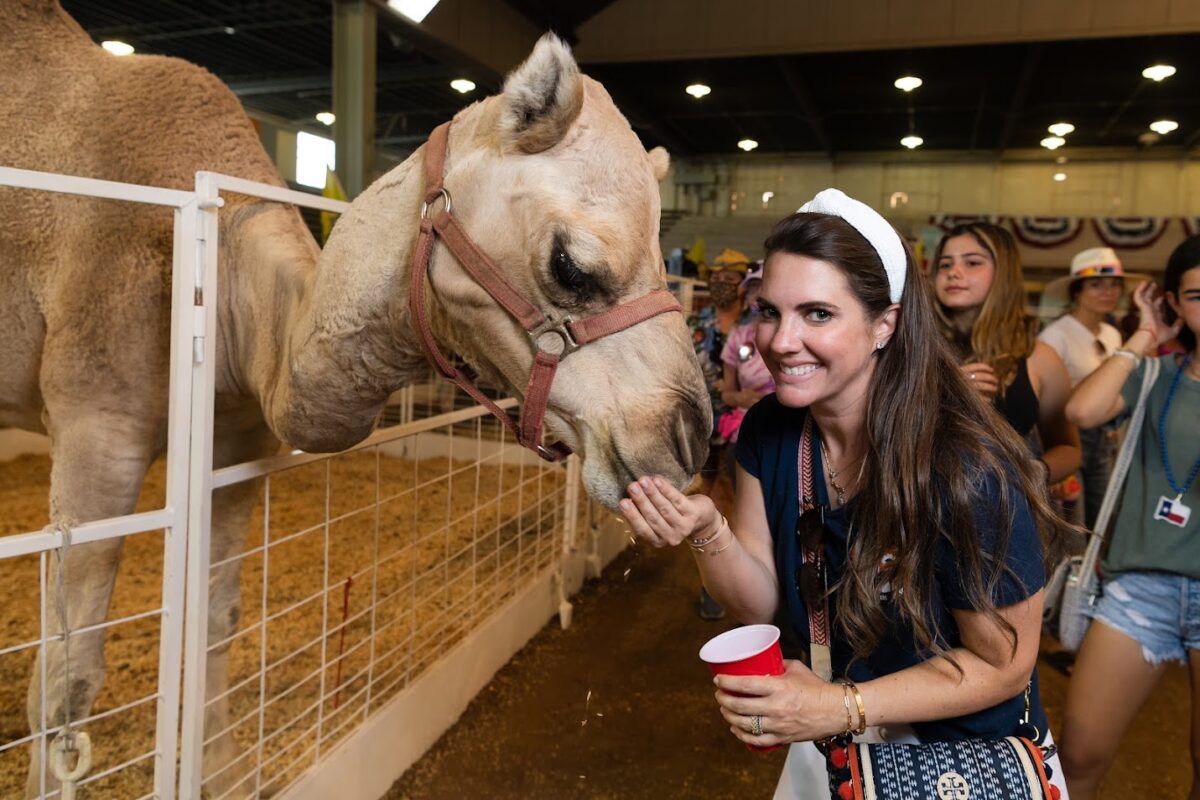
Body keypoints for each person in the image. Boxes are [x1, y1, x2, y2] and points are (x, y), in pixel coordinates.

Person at [619, 190, 1072, 798]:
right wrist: (708, 528)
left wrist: (839, 707)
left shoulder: (966, 466)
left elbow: (1002, 664)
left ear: (885, 323)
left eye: (818, 314)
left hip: (960, 759)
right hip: (842, 739)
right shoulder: (771, 429)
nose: (780, 342)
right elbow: (760, 603)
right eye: (770, 311)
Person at [1058, 235, 1200, 800]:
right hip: (1139, 588)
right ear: (1174, 304)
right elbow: (1080, 411)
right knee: (1079, 753)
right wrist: (1144, 335)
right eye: (1195, 295)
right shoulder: (1156, 376)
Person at [932, 222, 1081, 485]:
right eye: (945, 264)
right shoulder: (916, 346)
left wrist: (1033, 473)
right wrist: (948, 396)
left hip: (1005, 514)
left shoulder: (1039, 357)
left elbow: (1069, 449)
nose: (954, 272)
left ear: (1003, 273)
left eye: (972, 262)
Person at [1038, 248, 1149, 529]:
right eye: (1096, 285)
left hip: (1106, 437)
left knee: (1105, 517)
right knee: (1071, 522)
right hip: (1067, 436)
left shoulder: (1112, 334)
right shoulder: (1055, 335)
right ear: (1077, 291)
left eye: (1114, 285)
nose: (1107, 292)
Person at [689, 248, 752, 620]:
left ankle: (734, 581)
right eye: (715, 277)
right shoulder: (695, 322)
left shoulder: (758, 321)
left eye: (729, 278)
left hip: (744, 424)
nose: (720, 284)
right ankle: (715, 579)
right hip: (699, 424)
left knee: (733, 497)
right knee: (706, 495)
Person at [717, 262, 775, 449]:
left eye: (763, 286)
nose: (756, 294)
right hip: (747, 430)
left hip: (792, 431)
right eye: (752, 288)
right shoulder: (738, 336)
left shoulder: (795, 335)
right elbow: (727, 393)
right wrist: (740, 398)